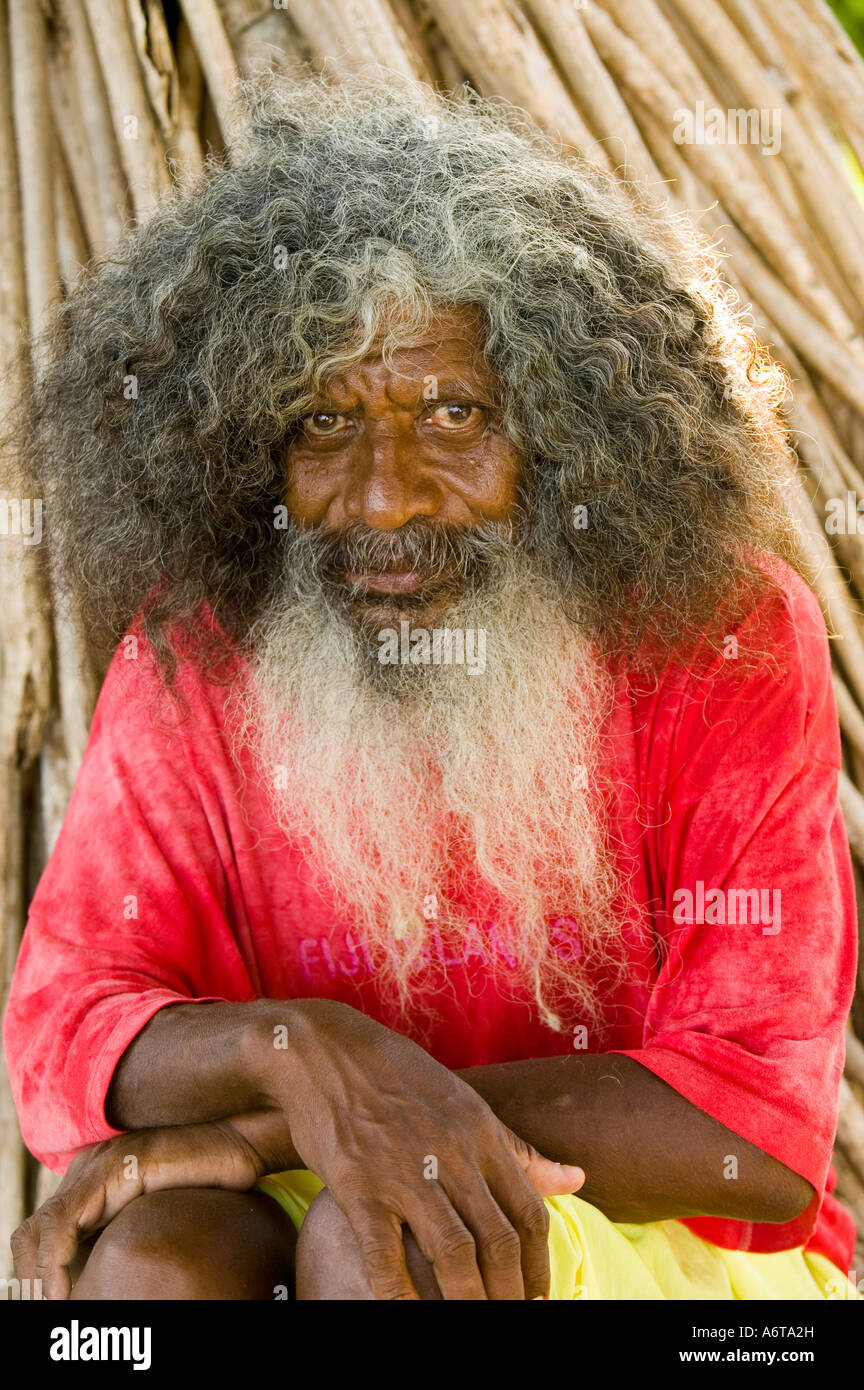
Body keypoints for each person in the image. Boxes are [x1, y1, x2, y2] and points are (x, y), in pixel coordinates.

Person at [4, 76, 858, 1301]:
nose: (386, 494)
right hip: (327, 1202)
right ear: (249, 450)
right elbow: (66, 1025)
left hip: (675, 1259)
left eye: (454, 413)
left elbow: (758, 1133)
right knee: (154, 1265)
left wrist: (295, 1120)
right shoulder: (198, 650)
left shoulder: (723, 635)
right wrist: (309, 1050)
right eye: (323, 423)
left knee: (387, 1242)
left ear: (566, 433)